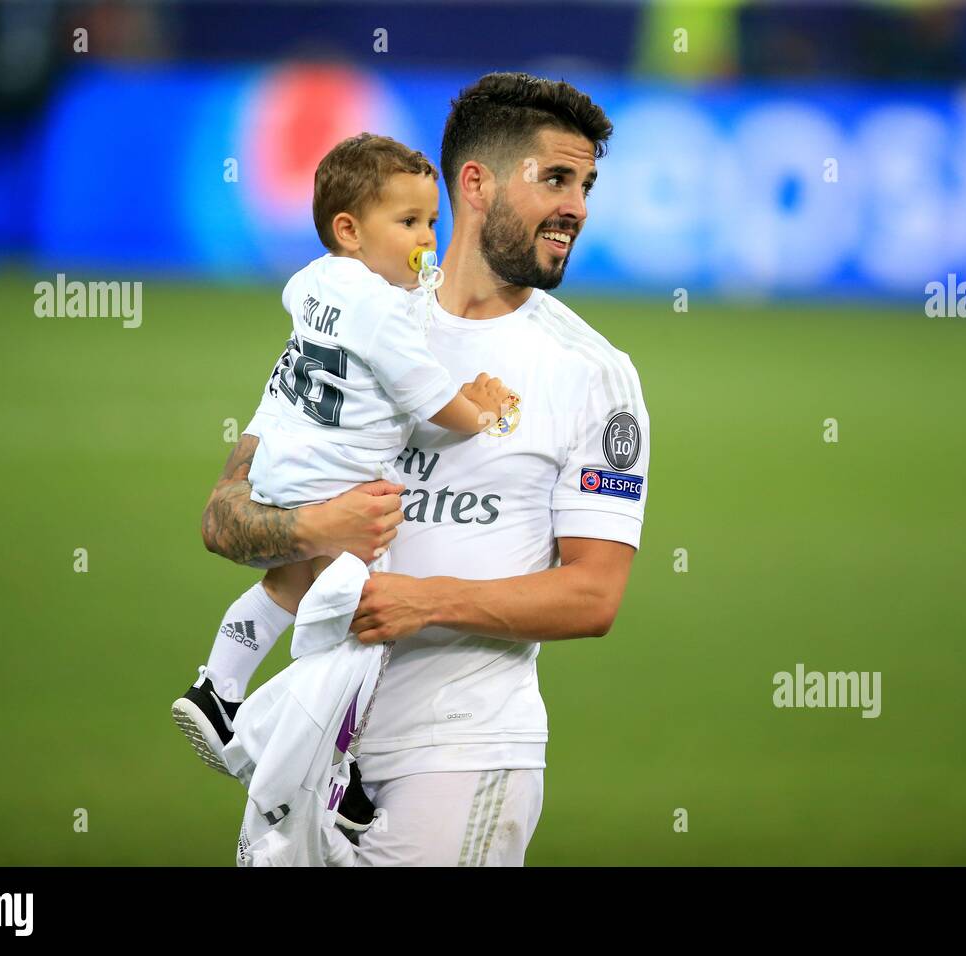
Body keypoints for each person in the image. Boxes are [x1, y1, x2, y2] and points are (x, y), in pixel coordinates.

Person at [202, 73, 650, 866]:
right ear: (474, 184)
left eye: (585, 184)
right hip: (317, 752)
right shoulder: (361, 322)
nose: (577, 205)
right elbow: (226, 517)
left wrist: (423, 602)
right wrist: (313, 528)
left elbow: (594, 594)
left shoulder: (594, 373)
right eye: (555, 178)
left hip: (462, 752)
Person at [174, 133, 514, 795]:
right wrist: (484, 410)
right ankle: (332, 760)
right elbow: (431, 402)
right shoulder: (383, 313)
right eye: (409, 222)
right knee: (365, 619)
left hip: (284, 470)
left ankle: (217, 689)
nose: (427, 239)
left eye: (432, 222)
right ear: (350, 230)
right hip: (341, 486)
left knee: (288, 586)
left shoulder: (313, 280)